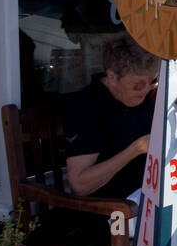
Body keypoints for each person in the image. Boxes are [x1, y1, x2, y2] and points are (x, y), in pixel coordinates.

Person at [64, 36, 158, 200]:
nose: (144, 89)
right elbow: (79, 185)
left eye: (151, 81)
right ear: (112, 77)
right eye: (137, 84)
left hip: (154, 191)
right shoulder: (87, 106)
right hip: (116, 207)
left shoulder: (139, 97)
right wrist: (135, 149)